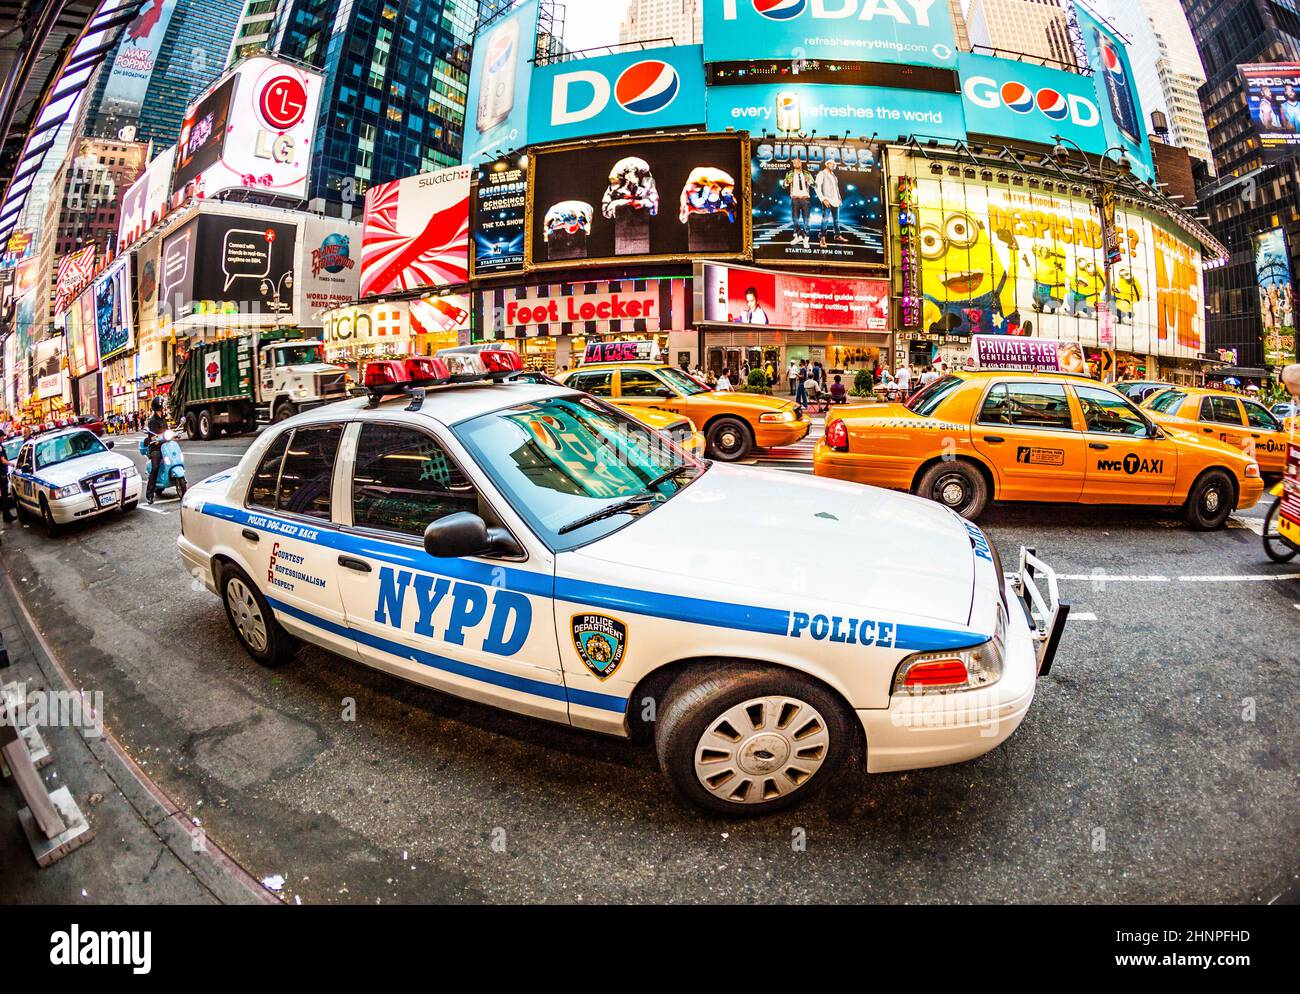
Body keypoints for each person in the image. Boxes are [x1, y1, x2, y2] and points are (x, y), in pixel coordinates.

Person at [781, 158, 813, 249]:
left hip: (805, 199)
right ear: (793, 164)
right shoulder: (790, 173)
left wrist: (810, 181)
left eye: (798, 162)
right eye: (794, 162)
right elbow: (783, 186)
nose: (796, 163)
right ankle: (799, 236)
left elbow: (815, 185)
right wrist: (787, 181)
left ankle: (806, 238)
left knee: (806, 220)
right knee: (795, 220)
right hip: (795, 200)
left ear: (801, 163)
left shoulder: (807, 173)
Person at [144, 396, 168, 504]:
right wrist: (160, 437)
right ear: (158, 406)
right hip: (155, 448)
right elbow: (153, 438)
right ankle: (149, 493)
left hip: (165, 446)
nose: (164, 406)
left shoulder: (163, 418)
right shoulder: (152, 421)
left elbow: (167, 431)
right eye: (162, 404)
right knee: (155, 467)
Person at [815, 159, 844, 247]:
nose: (832, 165)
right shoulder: (821, 173)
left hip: (836, 201)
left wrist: (839, 198)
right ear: (827, 164)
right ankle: (822, 238)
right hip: (827, 200)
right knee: (825, 220)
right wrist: (823, 199)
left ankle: (837, 235)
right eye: (831, 163)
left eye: (834, 164)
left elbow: (836, 189)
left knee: (836, 220)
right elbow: (817, 187)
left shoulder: (834, 176)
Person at [0, 442, 15, 524]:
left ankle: (6, 516)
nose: (2, 439)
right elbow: (3, 461)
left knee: (4, 496)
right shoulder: (0, 447)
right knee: (5, 496)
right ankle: (7, 516)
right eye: (2, 437)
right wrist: (11, 464)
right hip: (2, 475)